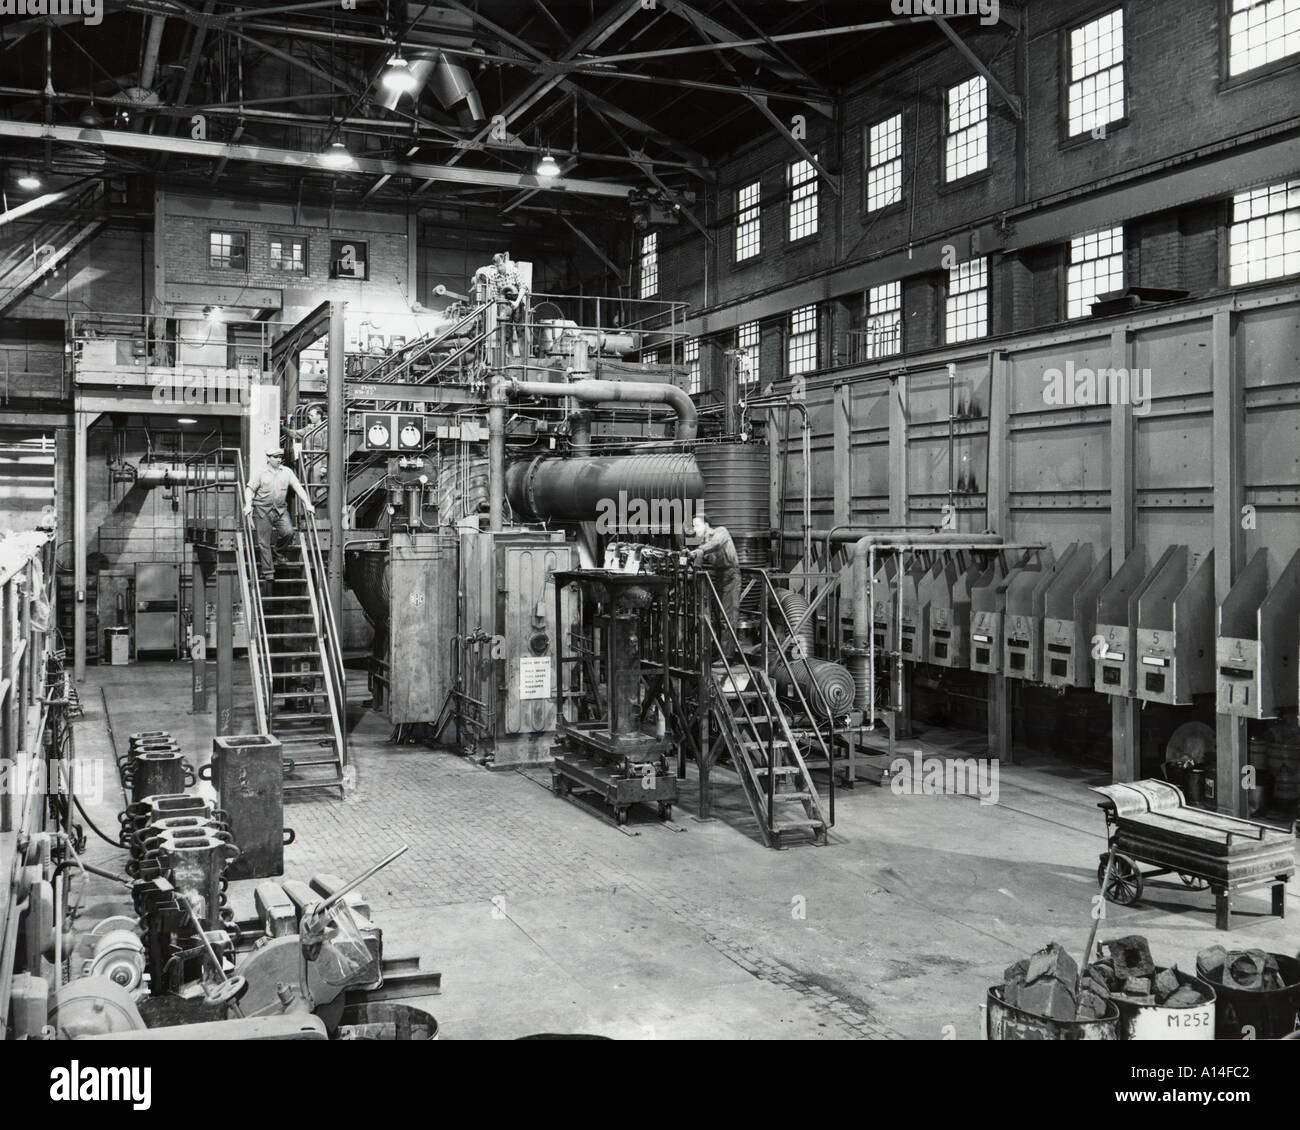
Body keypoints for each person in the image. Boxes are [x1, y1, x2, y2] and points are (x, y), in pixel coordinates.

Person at [244, 448, 313, 583]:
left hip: (280, 510)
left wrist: (308, 503)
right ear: (268, 457)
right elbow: (249, 489)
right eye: (275, 457)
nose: (279, 459)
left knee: (288, 532)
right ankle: (268, 571)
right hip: (262, 509)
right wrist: (248, 505)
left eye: (280, 456)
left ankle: (278, 553)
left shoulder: (287, 472)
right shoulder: (260, 472)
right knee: (263, 541)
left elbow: (298, 487)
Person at [691, 512, 740, 659]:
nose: (695, 529)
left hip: (731, 576)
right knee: (718, 617)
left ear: (706, 525)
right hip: (719, 577)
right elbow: (703, 555)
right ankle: (719, 652)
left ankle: (727, 656)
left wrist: (699, 551)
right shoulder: (703, 544)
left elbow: (716, 544)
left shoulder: (720, 532)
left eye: (697, 525)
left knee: (727, 617)